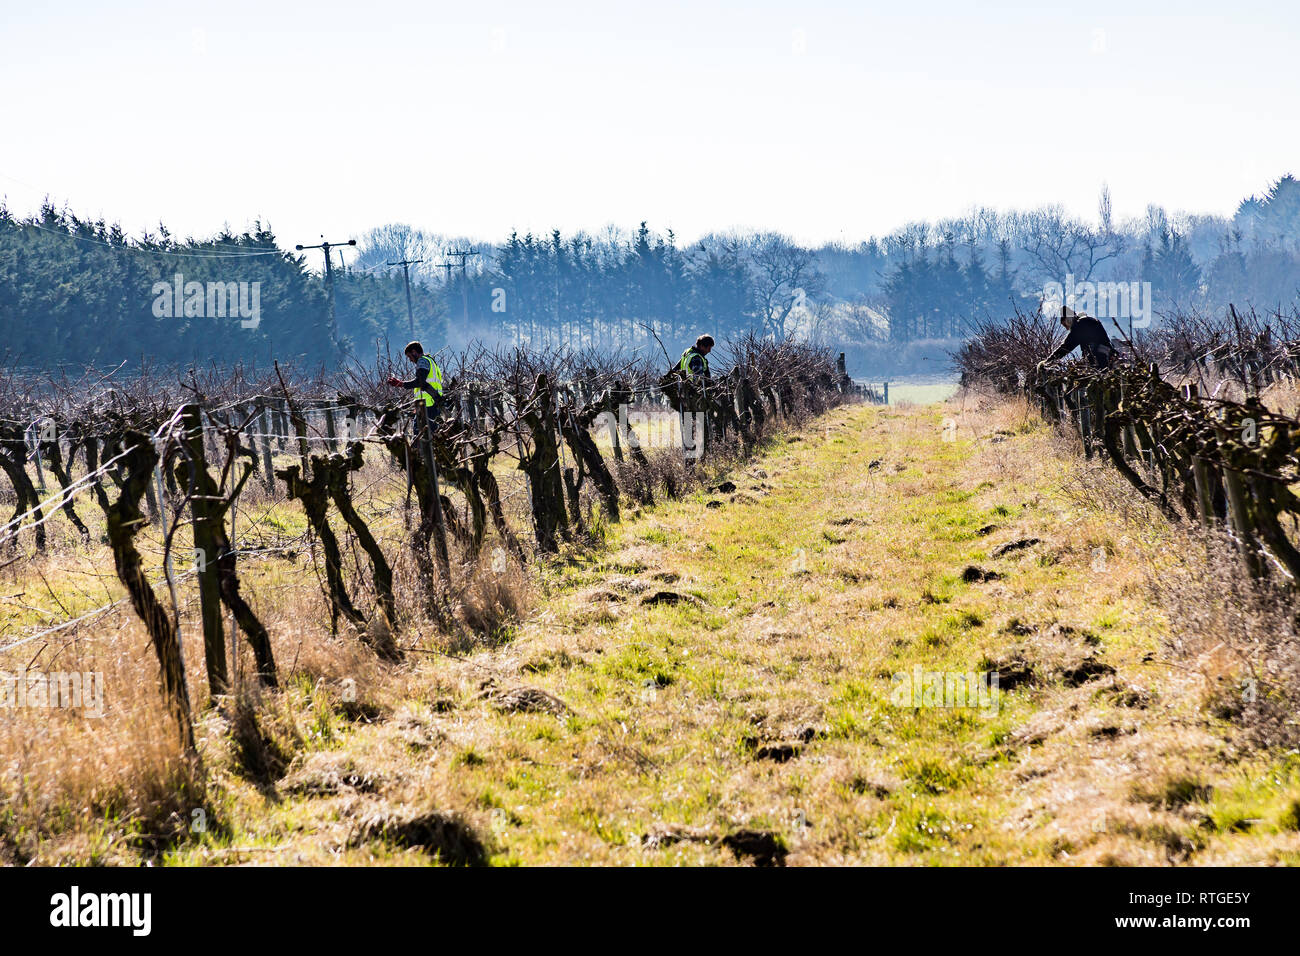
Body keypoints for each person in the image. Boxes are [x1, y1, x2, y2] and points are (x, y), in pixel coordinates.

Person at [1038, 306, 1115, 372]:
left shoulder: (1080, 324)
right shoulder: (1088, 321)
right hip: (1106, 355)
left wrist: (1048, 361)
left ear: (1067, 319)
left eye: (1065, 325)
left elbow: (1066, 346)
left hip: (1098, 357)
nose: (1067, 328)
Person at [387, 341, 444, 415]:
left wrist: (400, 384)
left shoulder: (422, 361)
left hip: (427, 405)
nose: (410, 360)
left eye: (409, 356)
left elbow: (420, 382)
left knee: (422, 426)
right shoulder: (431, 361)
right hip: (433, 402)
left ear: (414, 352)